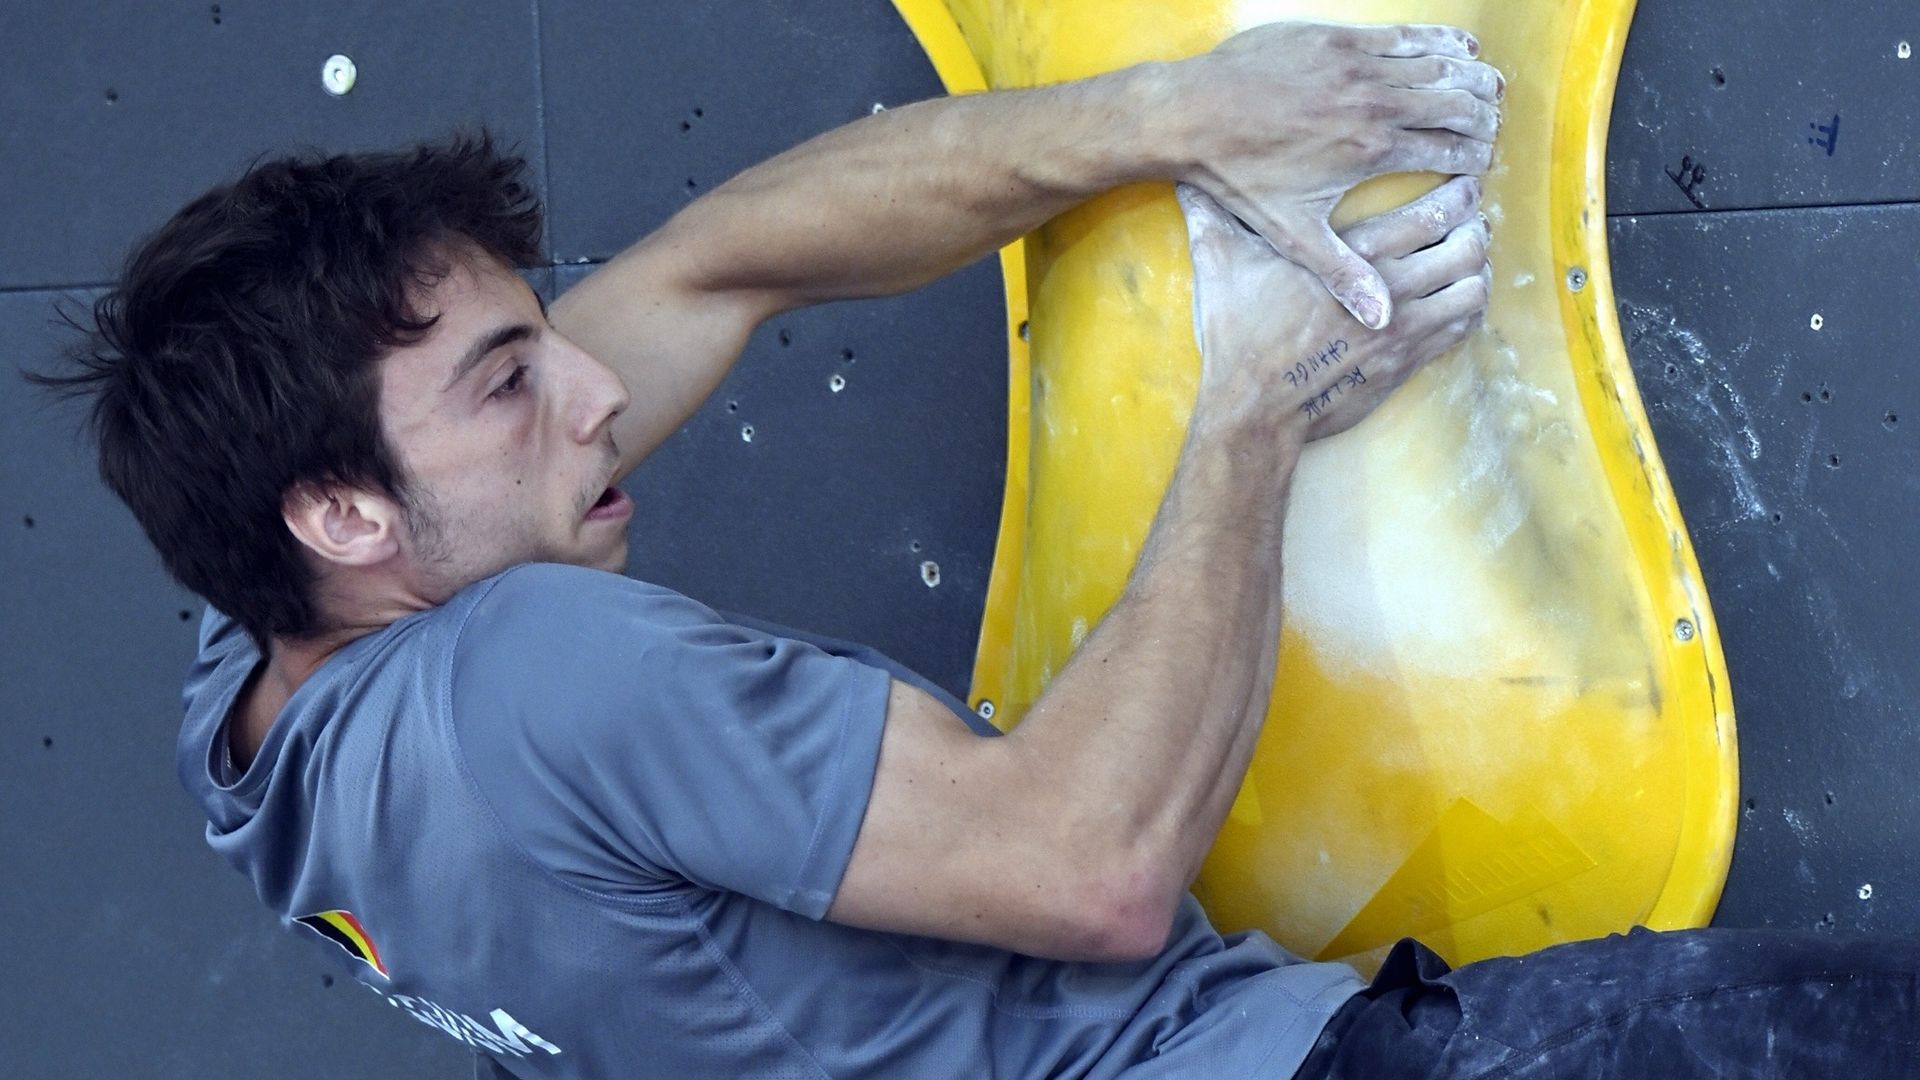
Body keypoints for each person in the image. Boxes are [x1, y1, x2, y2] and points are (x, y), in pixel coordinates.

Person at [30, 18, 1917, 1080]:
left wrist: (1161, 119)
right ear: (343, 513)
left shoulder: (265, 709)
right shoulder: (528, 671)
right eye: (513, 380)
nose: (597, 391)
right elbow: (1087, 870)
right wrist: (1258, 403)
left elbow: (722, 265)